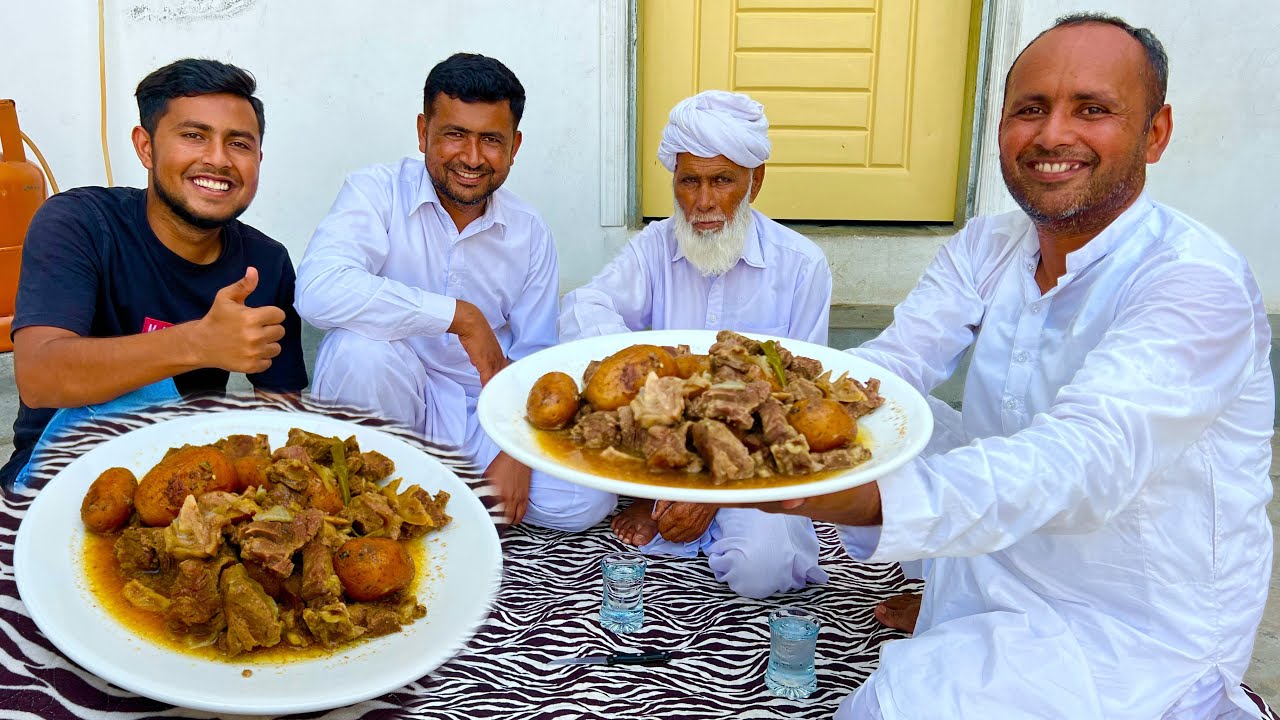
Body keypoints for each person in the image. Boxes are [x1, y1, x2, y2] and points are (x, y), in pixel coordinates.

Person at [748, 14, 1273, 719]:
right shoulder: (992, 243)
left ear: (1155, 133)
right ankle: (954, 601)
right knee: (907, 416)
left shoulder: (1193, 281)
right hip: (1002, 553)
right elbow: (894, 364)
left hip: (1127, 619)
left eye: (1093, 109)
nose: (1053, 135)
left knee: (885, 708)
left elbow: (1085, 458)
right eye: (1030, 109)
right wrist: (760, 419)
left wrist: (866, 498)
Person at [295, 53, 613, 530]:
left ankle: (427, 492)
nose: (471, 157)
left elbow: (534, 354)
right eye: (454, 135)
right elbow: (318, 291)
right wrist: (459, 316)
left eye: (491, 140)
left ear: (515, 145)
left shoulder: (528, 230)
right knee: (359, 353)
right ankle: (397, 495)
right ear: (423, 131)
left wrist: (518, 452)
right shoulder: (375, 192)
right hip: (395, 397)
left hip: (483, 413)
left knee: (587, 498)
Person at [559, 90, 833, 599]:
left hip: (752, 456)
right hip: (659, 438)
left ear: (756, 180)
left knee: (764, 571)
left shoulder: (802, 265)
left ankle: (686, 504)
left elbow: (801, 404)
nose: (703, 203)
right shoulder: (654, 246)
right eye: (690, 181)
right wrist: (640, 375)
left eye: (722, 180)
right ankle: (659, 491)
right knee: (559, 503)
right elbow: (584, 305)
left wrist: (713, 487)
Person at [1, 58, 308, 488]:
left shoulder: (266, 262)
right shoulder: (79, 224)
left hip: (187, 474)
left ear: (259, 157)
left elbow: (280, 408)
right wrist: (199, 343)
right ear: (145, 146)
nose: (218, 159)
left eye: (239, 144)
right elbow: (39, 376)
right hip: (64, 467)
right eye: (193, 136)